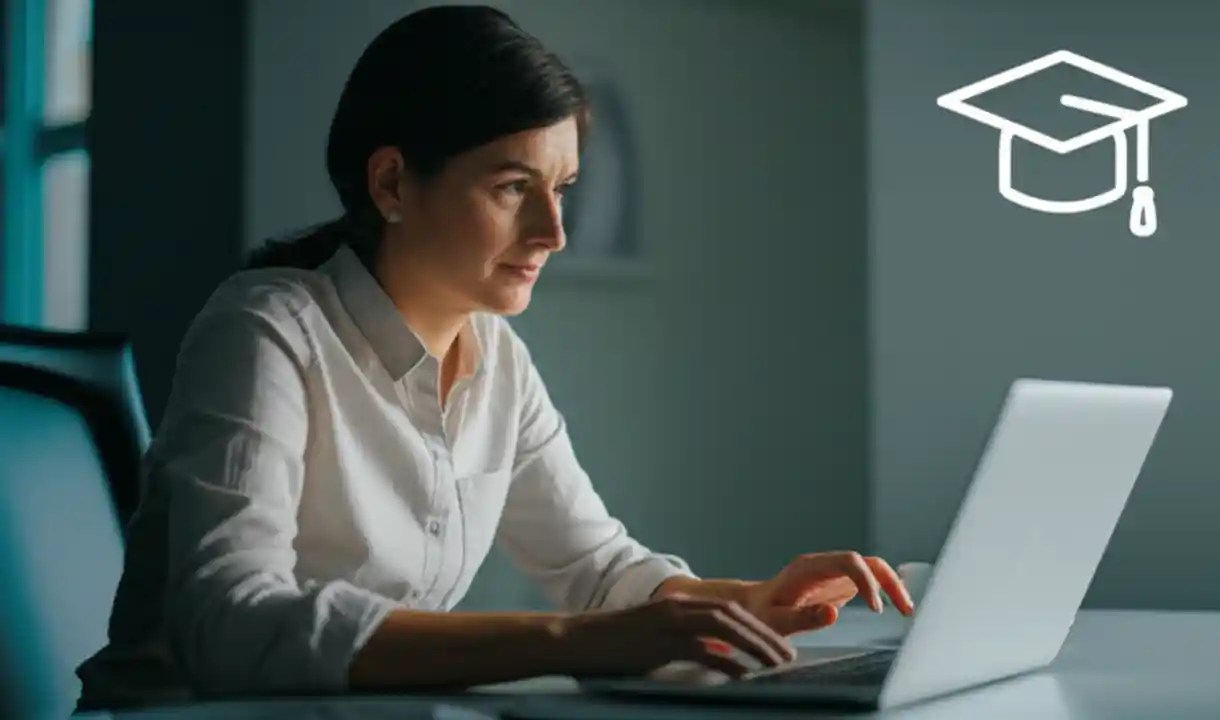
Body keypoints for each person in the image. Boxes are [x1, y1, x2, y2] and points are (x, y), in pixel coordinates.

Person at [75, 5, 913, 709]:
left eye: (563, 189)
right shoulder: (265, 329)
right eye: (514, 188)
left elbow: (595, 567)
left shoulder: (497, 361)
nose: (553, 232)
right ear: (393, 184)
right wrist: (580, 642)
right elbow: (235, 625)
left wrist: (743, 601)